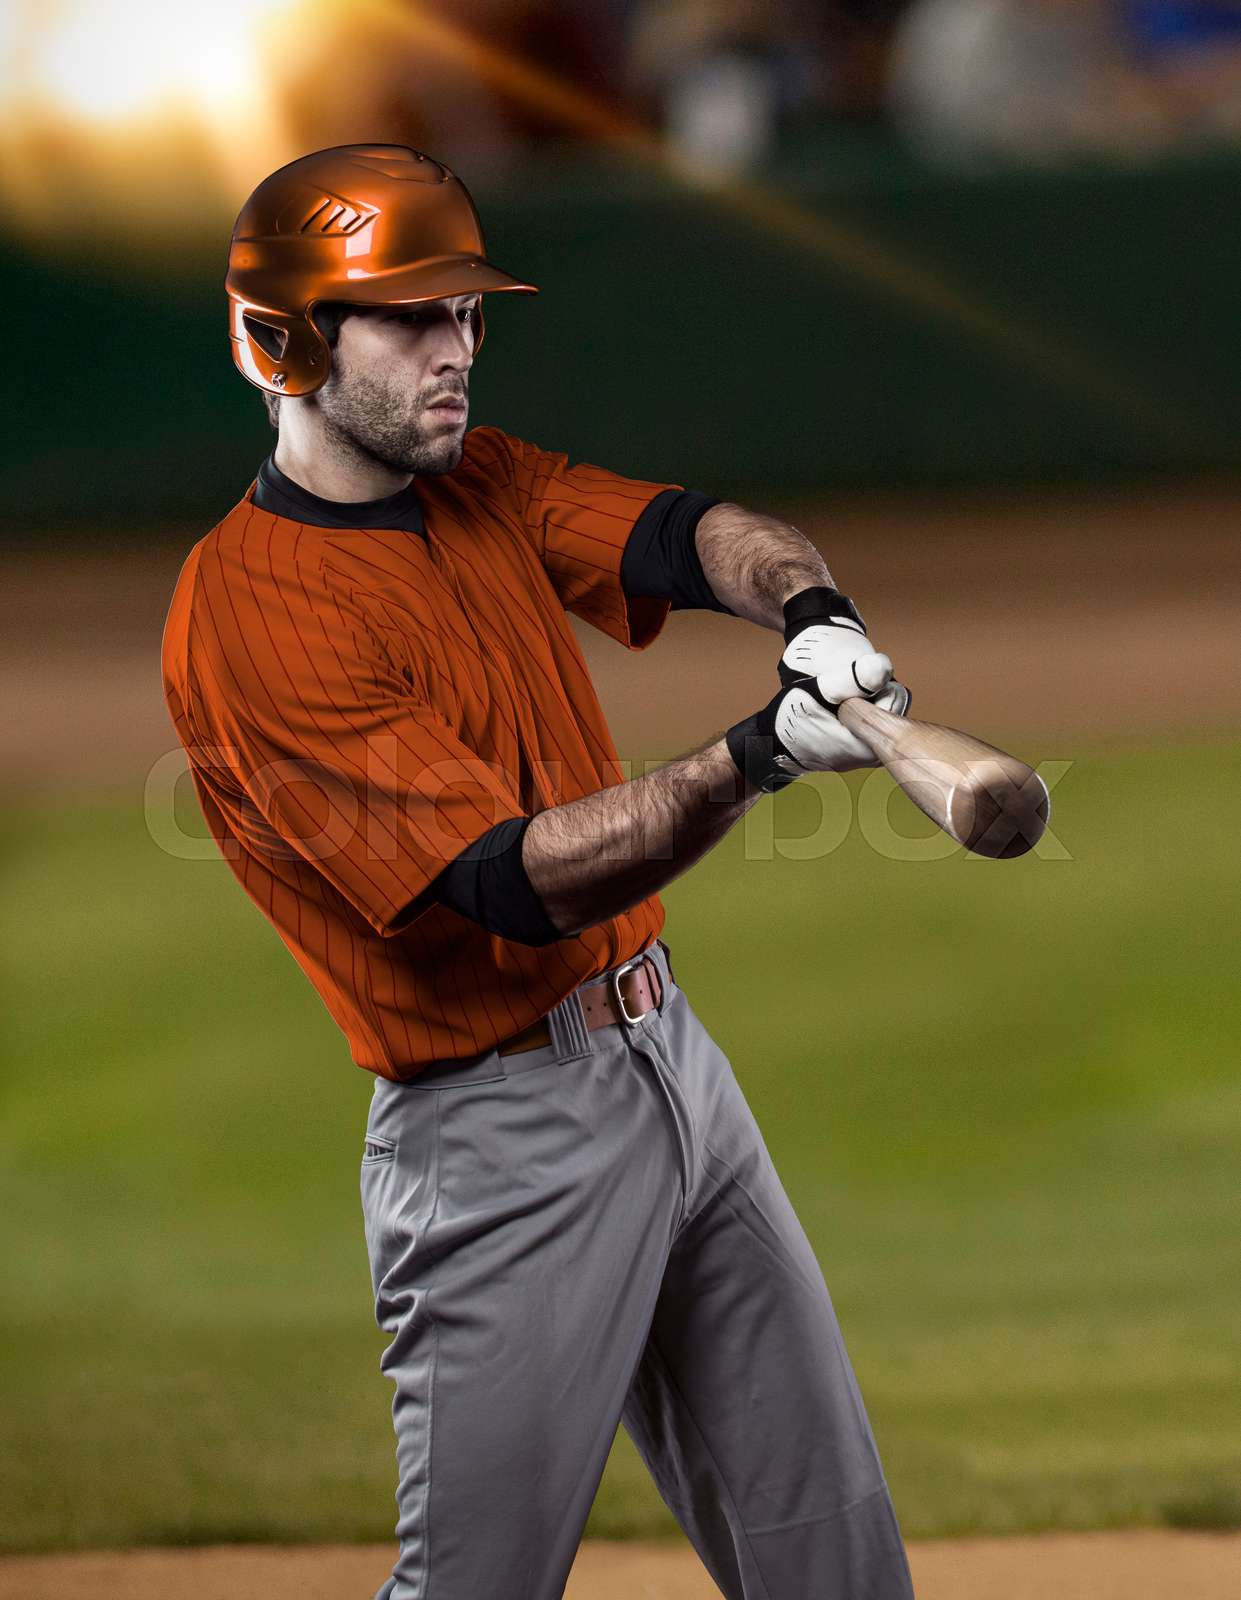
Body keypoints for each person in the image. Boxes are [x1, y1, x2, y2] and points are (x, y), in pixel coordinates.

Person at [161, 143, 916, 1600]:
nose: (456, 353)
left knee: (831, 1564)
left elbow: (685, 533)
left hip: (673, 1071)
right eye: (410, 319)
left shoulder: (482, 482)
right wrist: (757, 753)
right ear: (287, 338)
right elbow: (514, 885)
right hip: (499, 1145)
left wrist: (813, 610)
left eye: (466, 317)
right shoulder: (254, 615)